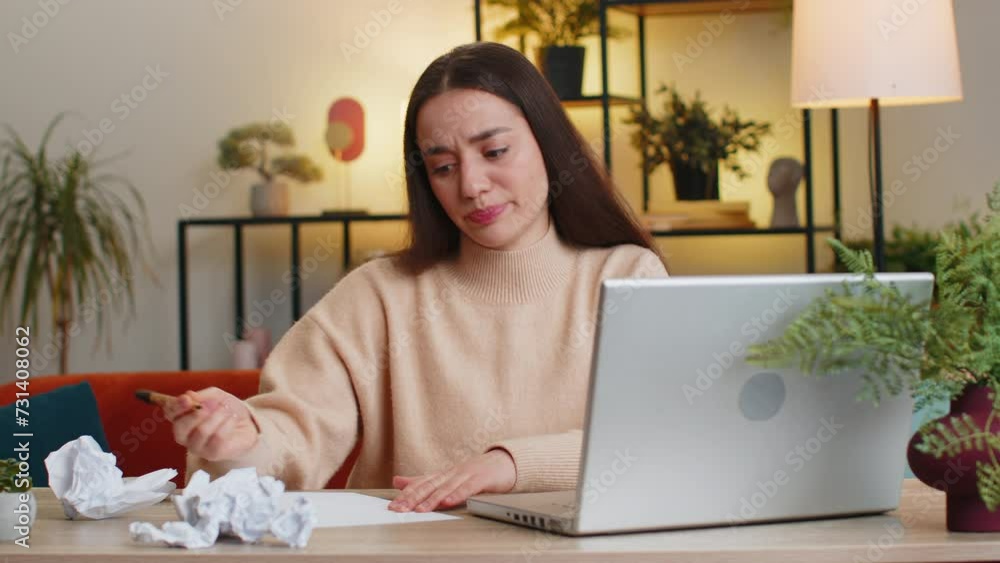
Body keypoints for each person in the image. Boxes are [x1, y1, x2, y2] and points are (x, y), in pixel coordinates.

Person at [165, 41, 668, 514]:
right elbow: (290, 438)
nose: (471, 185)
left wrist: (506, 466)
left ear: (549, 143)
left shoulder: (627, 276)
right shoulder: (379, 294)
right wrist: (239, 440)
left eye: (494, 153)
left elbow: (658, 440)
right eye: (443, 167)